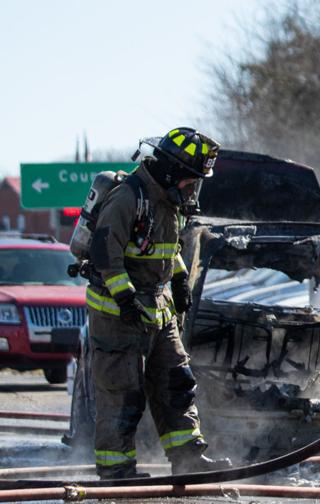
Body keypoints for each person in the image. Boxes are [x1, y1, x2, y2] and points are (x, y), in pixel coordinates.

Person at [85, 128, 229, 479]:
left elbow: (166, 249)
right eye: (189, 181)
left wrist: (179, 280)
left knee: (176, 383)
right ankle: (116, 469)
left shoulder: (168, 203)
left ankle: (189, 459)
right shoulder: (127, 197)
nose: (192, 189)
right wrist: (125, 298)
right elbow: (106, 255)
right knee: (122, 392)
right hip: (116, 313)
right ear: (170, 171)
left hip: (158, 308)